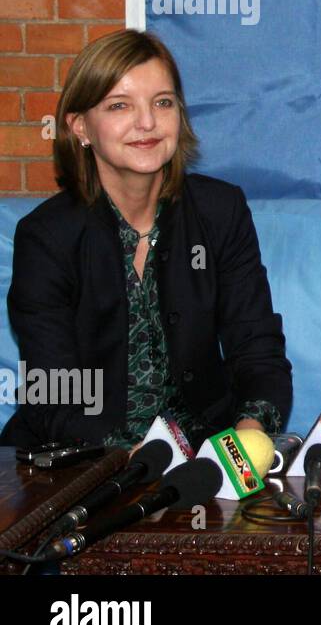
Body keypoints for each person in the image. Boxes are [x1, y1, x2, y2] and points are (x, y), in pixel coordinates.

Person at [1, 30, 292, 451]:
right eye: (120, 105)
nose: (147, 123)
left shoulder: (220, 211)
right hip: (81, 463)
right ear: (80, 127)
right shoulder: (47, 238)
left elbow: (258, 352)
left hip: (204, 460)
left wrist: (247, 439)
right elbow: (52, 394)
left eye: (163, 102)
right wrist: (131, 458)